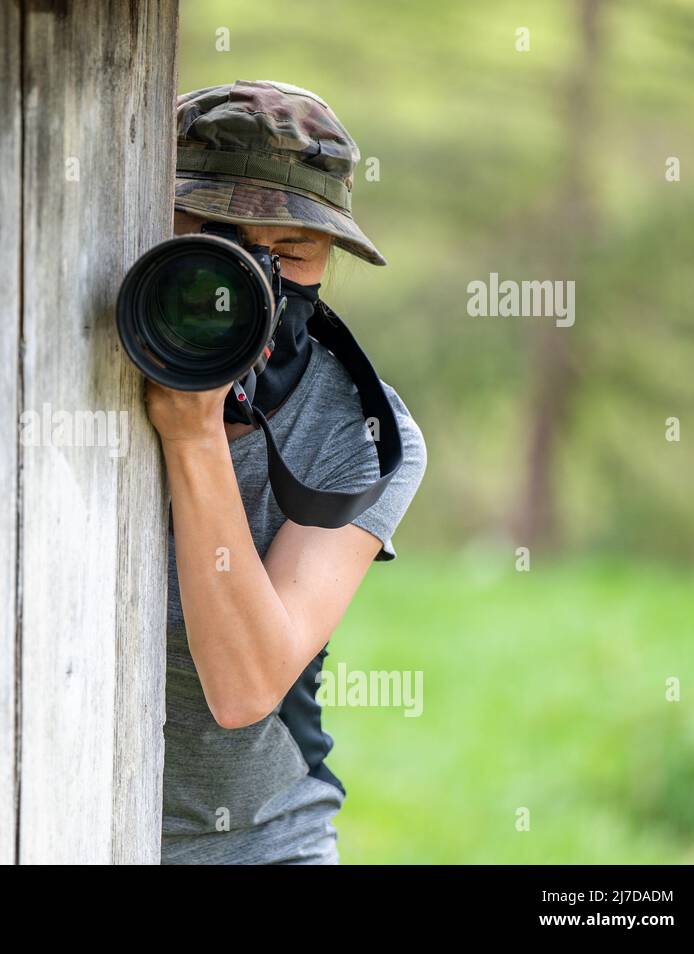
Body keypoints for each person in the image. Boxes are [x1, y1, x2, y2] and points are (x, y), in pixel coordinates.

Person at [153, 80, 427, 864]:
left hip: (257, 845)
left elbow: (245, 689)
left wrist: (193, 433)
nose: (254, 278)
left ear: (329, 261)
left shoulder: (365, 432)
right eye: (218, 237)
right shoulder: (61, 361)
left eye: (293, 252)